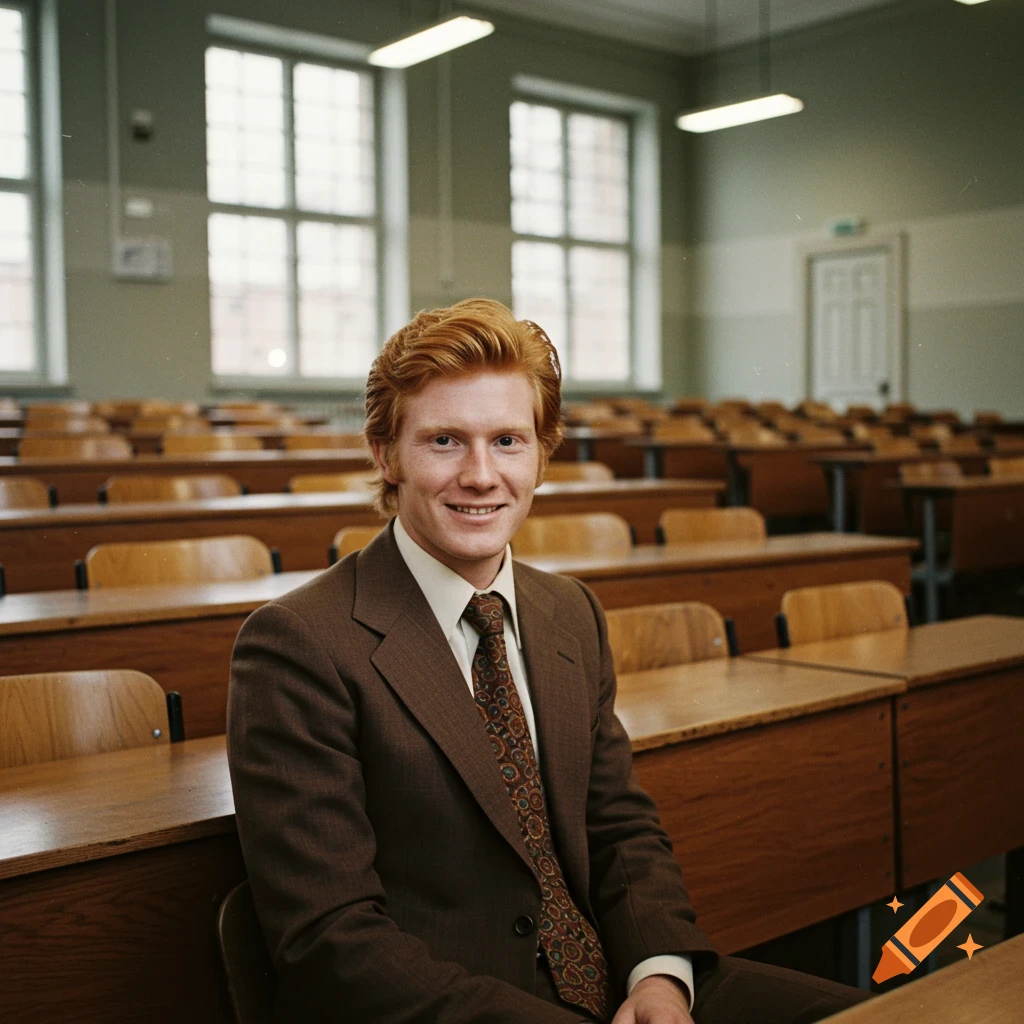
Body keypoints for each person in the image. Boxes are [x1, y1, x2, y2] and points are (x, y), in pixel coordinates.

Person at [227, 298, 869, 1023]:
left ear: (542, 453)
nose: (480, 475)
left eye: (507, 440)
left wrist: (660, 980)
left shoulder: (569, 611)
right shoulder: (299, 642)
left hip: (621, 985)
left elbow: (620, 829)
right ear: (386, 454)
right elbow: (331, 940)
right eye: (444, 441)